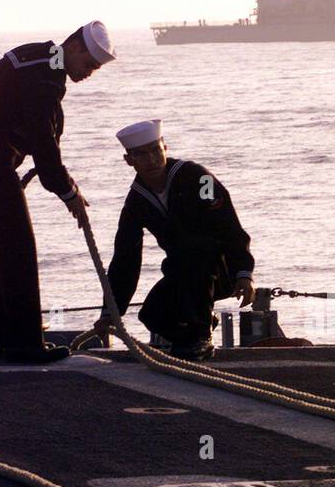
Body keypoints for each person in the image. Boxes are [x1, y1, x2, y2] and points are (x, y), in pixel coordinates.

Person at [0, 21, 116, 364]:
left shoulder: (41, 59)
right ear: (73, 47)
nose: (89, 73)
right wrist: (68, 192)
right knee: (17, 251)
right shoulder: (46, 76)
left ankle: (5, 342)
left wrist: (63, 184)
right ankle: (26, 344)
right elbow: (44, 145)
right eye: (88, 64)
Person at [94, 120, 255, 360]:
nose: (151, 159)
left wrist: (244, 272)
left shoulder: (200, 178)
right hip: (183, 273)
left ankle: (200, 337)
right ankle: (193, 336)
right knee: (152, 314)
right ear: (129, 160)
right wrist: (110, 311)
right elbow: (126, 258)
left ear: (165, 149)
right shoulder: (136, 202)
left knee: (196, 249)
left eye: (155, 150)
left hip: (222, 269)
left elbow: (228, 225)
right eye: (141, 154)